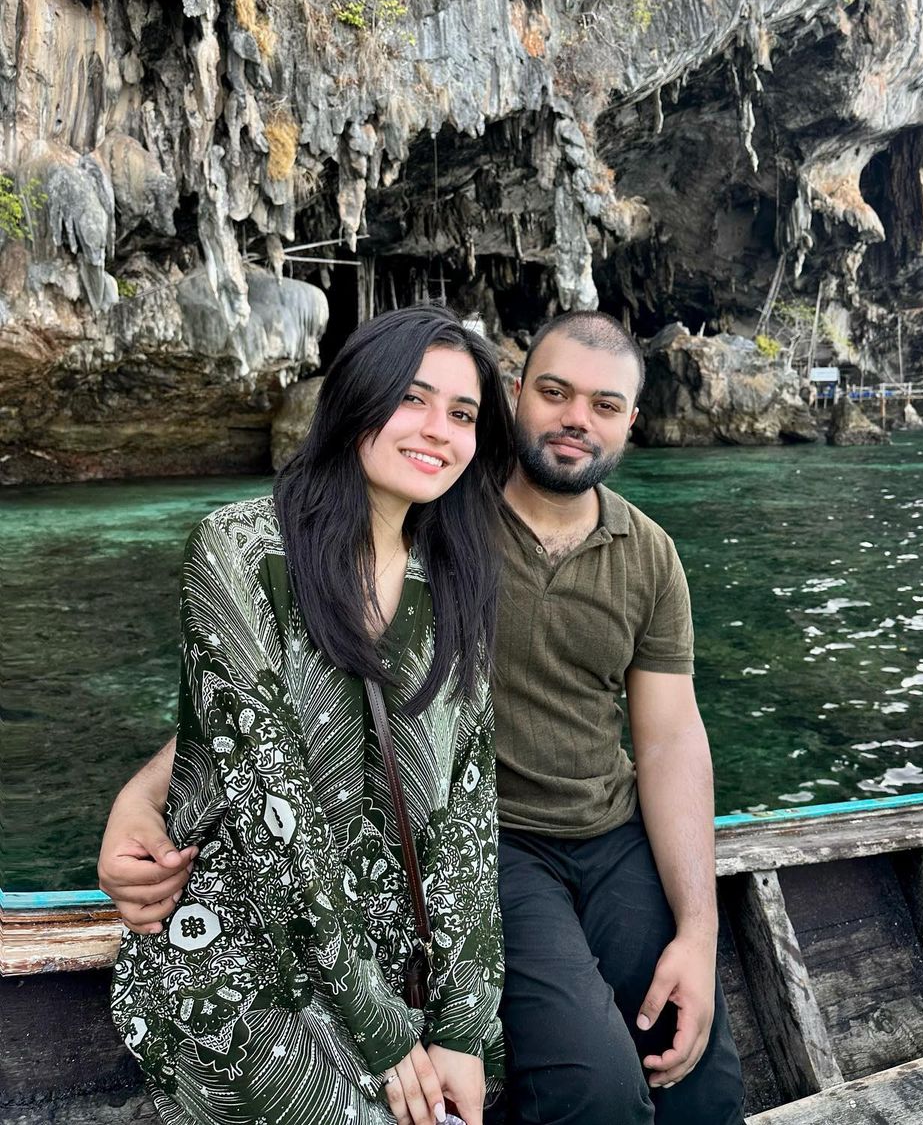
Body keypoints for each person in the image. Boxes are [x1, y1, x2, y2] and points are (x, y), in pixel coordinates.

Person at [100, 310, 746, 1125]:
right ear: (518, 397)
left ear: (631, 421)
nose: (576, 418)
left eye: (459, 414)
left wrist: (696, 932)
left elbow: (636, 751)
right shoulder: (340, 536)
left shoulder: (541, 561)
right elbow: (268, 743)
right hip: (350, 905)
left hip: (498, 884)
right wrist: (140, 796)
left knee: (702, 1077)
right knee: (592, 1092)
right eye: (553, 392)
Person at [108, 306, 515, 1125]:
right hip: (241, 945)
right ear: (358, 400)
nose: (439, 430)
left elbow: (467, 811)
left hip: (397, 959)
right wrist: (384, 1035)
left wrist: (467, 1029)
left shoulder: (456, 576)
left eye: (463, 414)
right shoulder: (240, 548)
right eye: (413, 398)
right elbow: (269, 802)